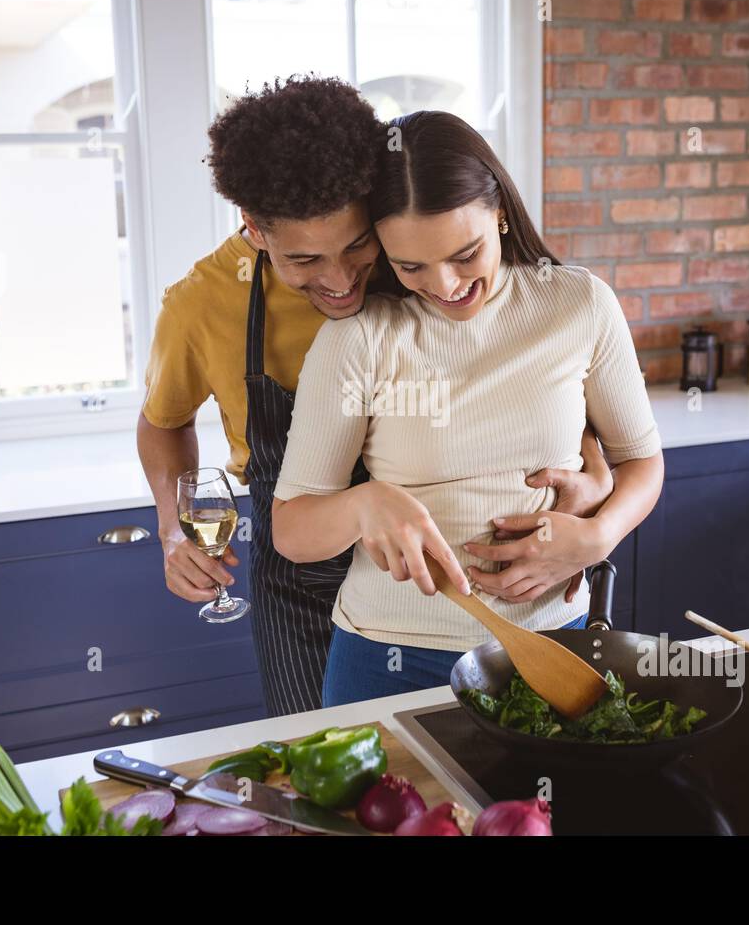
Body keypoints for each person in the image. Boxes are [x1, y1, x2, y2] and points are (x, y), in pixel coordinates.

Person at [137, 81, 612, 716]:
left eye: (358, 247)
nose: (339, 281)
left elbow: (523, 372)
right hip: (304, 569)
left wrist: (594, 475)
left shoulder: (421, 256)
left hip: (466, 578)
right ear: (253, 229)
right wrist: (173, 529)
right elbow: (164, 422)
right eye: (303, 260)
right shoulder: (200, 303)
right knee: (325, 782)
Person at [271, 111, 665, 705]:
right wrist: (362, 505)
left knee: (549, 802)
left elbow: (642, 461)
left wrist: (599, 535)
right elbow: (292, 531)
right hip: (388, 657)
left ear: (500, 211)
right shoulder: (360, 338)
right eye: (411, 267)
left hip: (554, 642)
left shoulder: (578, 303)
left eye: (465, 253)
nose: (447, 284)